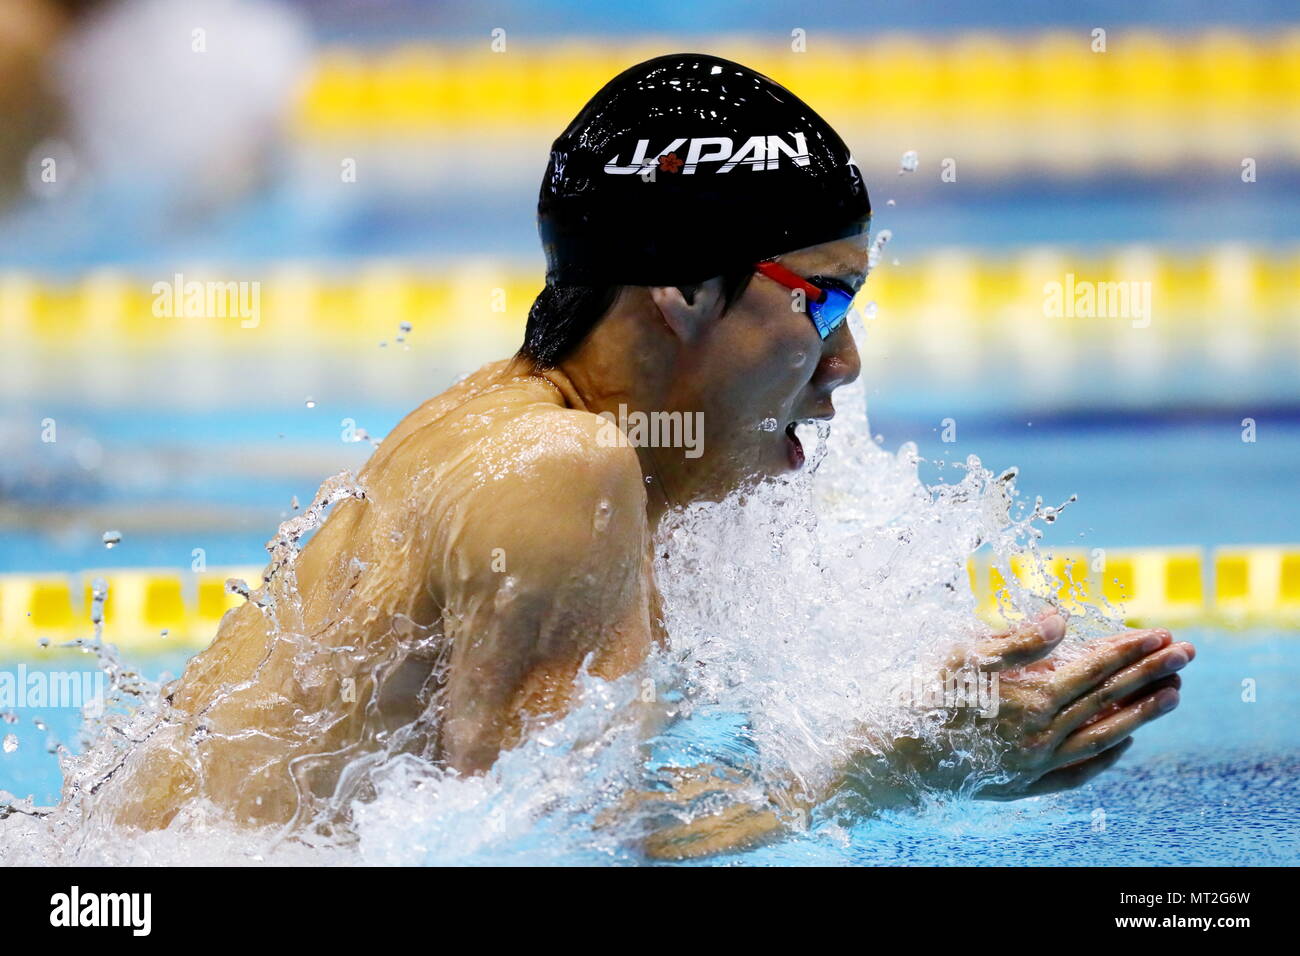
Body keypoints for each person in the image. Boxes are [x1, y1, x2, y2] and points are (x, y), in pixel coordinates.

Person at [110, 54, 1193, 857]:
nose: (845, 362)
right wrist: (893, 770)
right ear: (680, 289)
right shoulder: (557, 470)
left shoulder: (536, 430)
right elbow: (548, 850)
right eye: (823, 298)